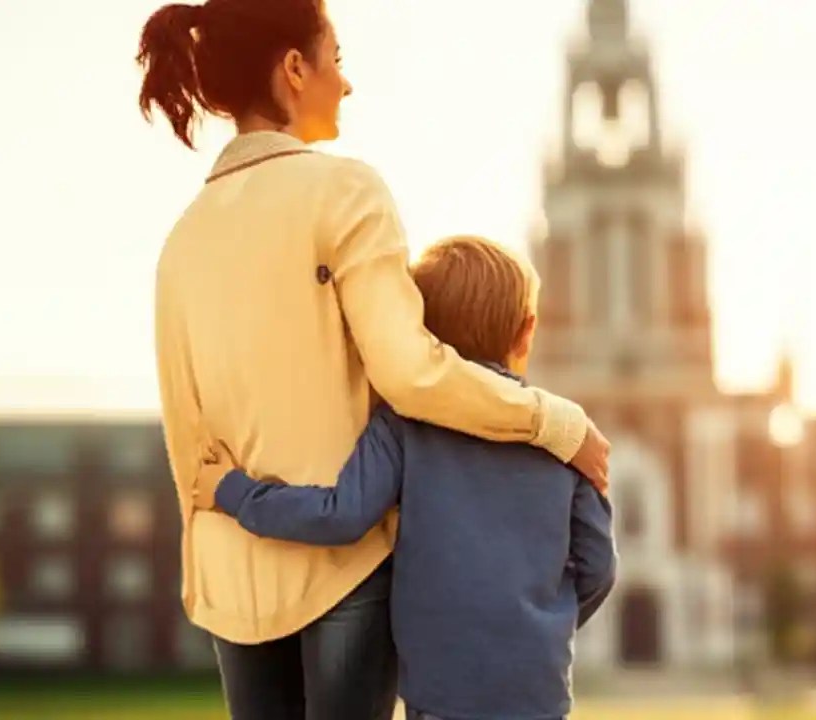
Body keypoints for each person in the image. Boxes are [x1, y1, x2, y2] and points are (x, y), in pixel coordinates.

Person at [137, 1, 610, 717]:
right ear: (295, 69)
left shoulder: (181, 241)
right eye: (338, 59)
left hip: (233, 577)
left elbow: (186, 433)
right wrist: (553, 421)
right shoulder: (344, 189)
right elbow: (413, 374)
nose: (347, 83)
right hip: (343, 571)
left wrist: (219, 523)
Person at [198, 236, 618, 720]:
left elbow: (340, 515)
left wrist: (232, 490)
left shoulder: (403, 425)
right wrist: (542, 625)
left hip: (440, 701)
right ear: (527, 331)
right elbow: (599, 566)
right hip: (539, 698)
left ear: (418, 334)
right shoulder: (563, 437)